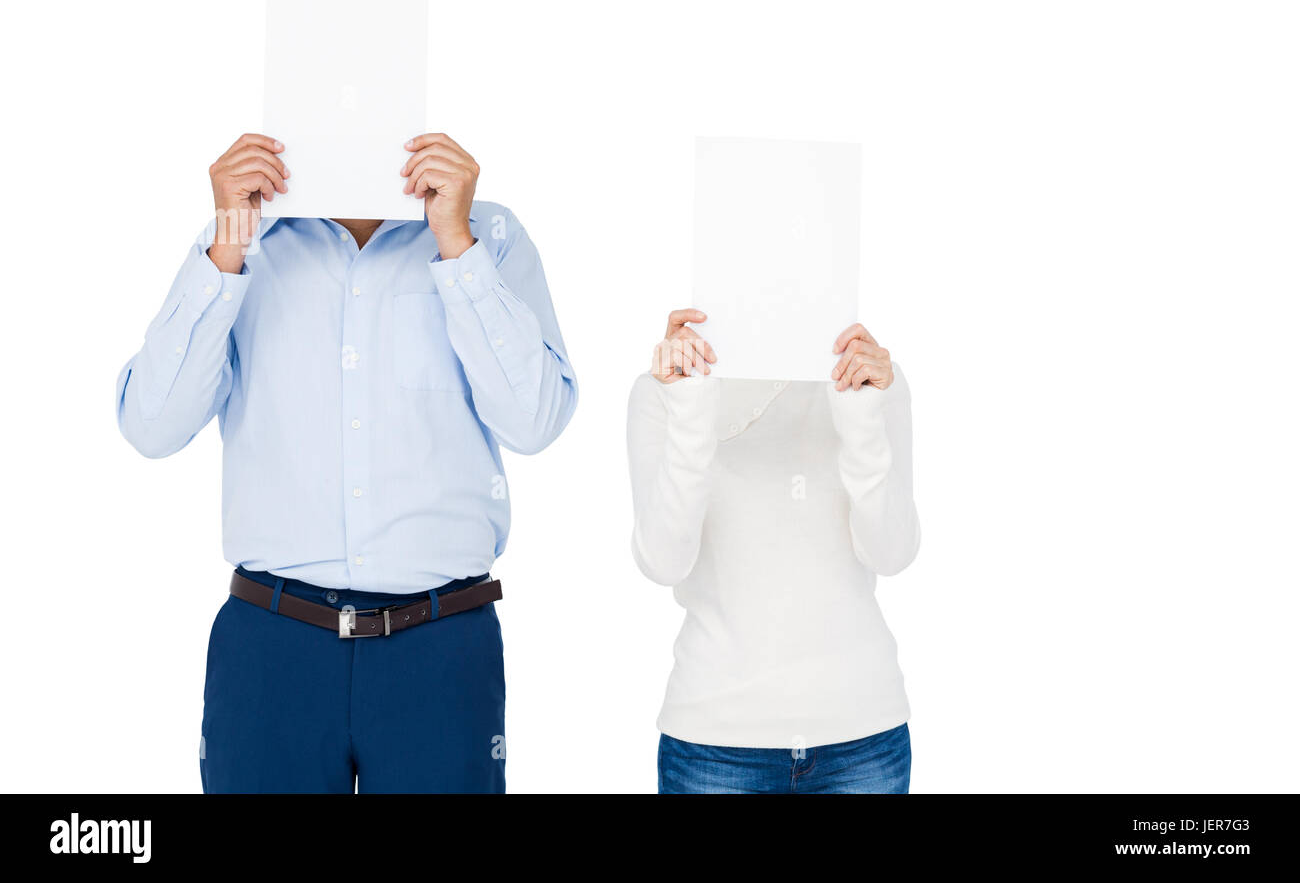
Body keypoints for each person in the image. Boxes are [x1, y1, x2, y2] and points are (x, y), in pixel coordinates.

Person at [116, 132, 577, 792]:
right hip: (272, 647)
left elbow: (535, 422)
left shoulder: (488, 235)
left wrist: (458, 248)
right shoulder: (244, 242)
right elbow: (151, 426)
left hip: (440, 649)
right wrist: (223, 253)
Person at [627, 309, 919, 793]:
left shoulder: (871, 377)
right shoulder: (665, 389)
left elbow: (892, 553)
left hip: (861, 736)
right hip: (714, 743)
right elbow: (663, 561)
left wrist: (862, 415)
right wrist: (691, 407)